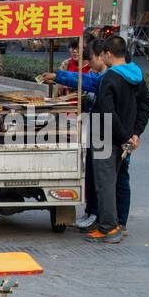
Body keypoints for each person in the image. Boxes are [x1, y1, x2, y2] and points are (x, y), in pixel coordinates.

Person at [87, 36, 149, 244]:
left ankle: (108, 229)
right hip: (126, 137)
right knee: (115, 180)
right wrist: (135, 134)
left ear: (107, 54)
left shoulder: (110, 78)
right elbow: (146, 106)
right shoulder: (136, 75)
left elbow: (107, 113)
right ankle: (116, 223)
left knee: (105, 183)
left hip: (105, 136)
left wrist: (126, 136)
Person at [42, 37, 106, 230]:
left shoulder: (108, 76)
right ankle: (95, 213)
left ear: (104, 56)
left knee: (103, 175)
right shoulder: (103, 73)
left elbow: (86, 81)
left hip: (101, 127)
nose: (78, 53)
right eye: (74, 49)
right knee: (92, 170)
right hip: (79, 119)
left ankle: (106, 220)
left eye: (88, 54)